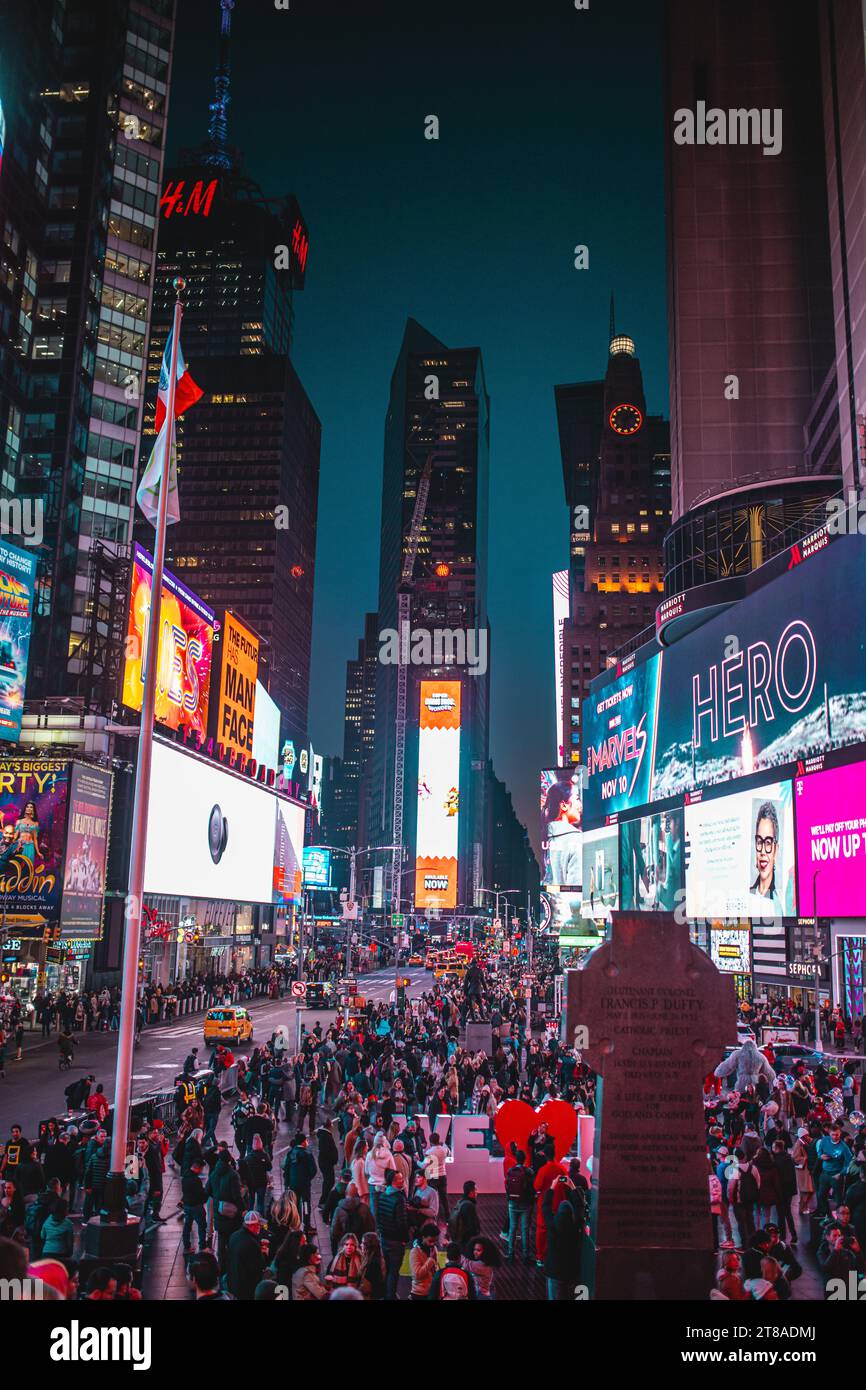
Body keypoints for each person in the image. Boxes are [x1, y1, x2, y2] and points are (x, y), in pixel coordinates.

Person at [542, 1175, 584, 1300]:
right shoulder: (576, 1225)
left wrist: (552, 1187)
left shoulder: (552, 1224)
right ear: (571, 1214)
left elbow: (545, 1207)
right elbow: (579, 1206)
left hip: (554, 1271)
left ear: (558, 1213)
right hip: (571, 1271)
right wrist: (572, 1186)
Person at [376, 1168, 409, 1300]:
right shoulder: (399, 1198)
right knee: (394, 1272)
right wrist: (404, 1239)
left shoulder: (383, 1195)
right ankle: (391, 1296)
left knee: (387, 1269)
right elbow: (402, 1223)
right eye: (401, 1179)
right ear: (394, 1182)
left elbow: (379, 1217)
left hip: (384, 1239)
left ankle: (386, 1294)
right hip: (396, 1241)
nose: (403, 1180)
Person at [226, 1209, 266, 1301]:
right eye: (259, 1225)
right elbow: (257, 1267)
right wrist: (263, 1254)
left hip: (233, 1284)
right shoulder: (251, 1243)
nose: (260, 1227)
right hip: (246, 1289)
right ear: (253, 1225)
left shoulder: (234, 1235)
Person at [504, 1147, 535, 1264]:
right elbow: (533, 1187)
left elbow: (507, 1185)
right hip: (525, 1203)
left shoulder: (510, 1171)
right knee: (524, 1229)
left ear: (516, 1159)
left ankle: (511, 1254)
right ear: (524, 1159)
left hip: (512, 1202)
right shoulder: (529, 1172)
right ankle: (526, 1255)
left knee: (512, 1228)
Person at [815, 1123, 853, 1217]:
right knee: (820, 1196)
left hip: (836, 1175)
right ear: (829, 1133)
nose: (835, 1137)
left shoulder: (844, 1147)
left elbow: (850, 1162)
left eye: (837, 1134)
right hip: (824, 1174)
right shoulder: (824, 1140)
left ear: (840, 1134)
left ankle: (840, 1220)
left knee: (839, 1200)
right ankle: (829, 1217)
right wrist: (821, 1156)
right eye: (833, 1134)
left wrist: (841, 1173)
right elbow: (819, 1151)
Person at [284, 1133, 316, 1232]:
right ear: (303, 1142)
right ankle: (307, 1224)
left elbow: (286, 1169)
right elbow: (313, 1170)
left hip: (293, 1184)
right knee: (306, 1203)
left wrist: (288, 1182)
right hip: (305, 1184)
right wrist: (307, 1178)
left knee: (296, 1203)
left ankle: (297, 1223)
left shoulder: (291, 1153)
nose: (307, 1142)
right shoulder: (307, 1154)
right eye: (306, 1140)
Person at [181, 1160, 209, 1256]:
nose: (201, 1171)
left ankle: (186, 1246)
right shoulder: (195, 1180)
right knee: (202, 1225)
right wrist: (205, 1195)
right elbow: (200, 1195)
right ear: (197, 1168)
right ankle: (202, 1246)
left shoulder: (185, 1177)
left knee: (187, 1226)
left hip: (187, 1205)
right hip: (196, 1206)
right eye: (201, 1169)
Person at [461, 1235, 501, 1300]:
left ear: (485, 1252)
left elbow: (466, 1264)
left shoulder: (482, 1266)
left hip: (482, 1296)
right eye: (474, 1249)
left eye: (478, 1250)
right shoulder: (486, 1262)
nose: (475, 1252)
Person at [408, 1222, 439, 1300]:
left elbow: (434, 1269)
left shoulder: (433, 1248)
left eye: (435, 1241)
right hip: (420, 1294)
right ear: (423, 1237)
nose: (433, 1244)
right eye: (430, 1241)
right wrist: (431, 1260)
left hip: (431, 1292)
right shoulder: (415, 1252)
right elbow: (417, 1275)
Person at [448, 1179, 481, 1246]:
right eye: (476, 1190)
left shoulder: (460, 1202)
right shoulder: (469, 1206)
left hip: (458, 1239)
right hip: (465, 1241)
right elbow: (472, 1227)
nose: (477, 1192)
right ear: (471, 1192)